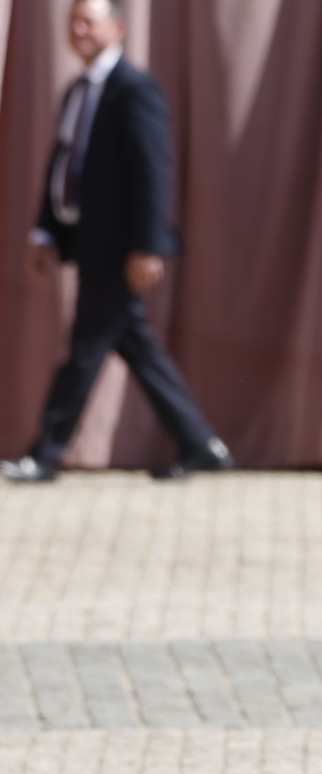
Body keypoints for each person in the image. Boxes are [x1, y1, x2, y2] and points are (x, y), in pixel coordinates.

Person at [2, 0, 230, 485]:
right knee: (136, 347)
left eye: (89, 21)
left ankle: (45, 453)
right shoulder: (76, 93)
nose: (79, 31)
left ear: (118, 28)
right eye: (72, 23)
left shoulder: (134, 89)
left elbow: (153, 173)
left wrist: (148, 246)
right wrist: (46, 229)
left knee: (84, 350)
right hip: (88, 243)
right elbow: (66, 169)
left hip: (118, 250)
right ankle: (200, 442)